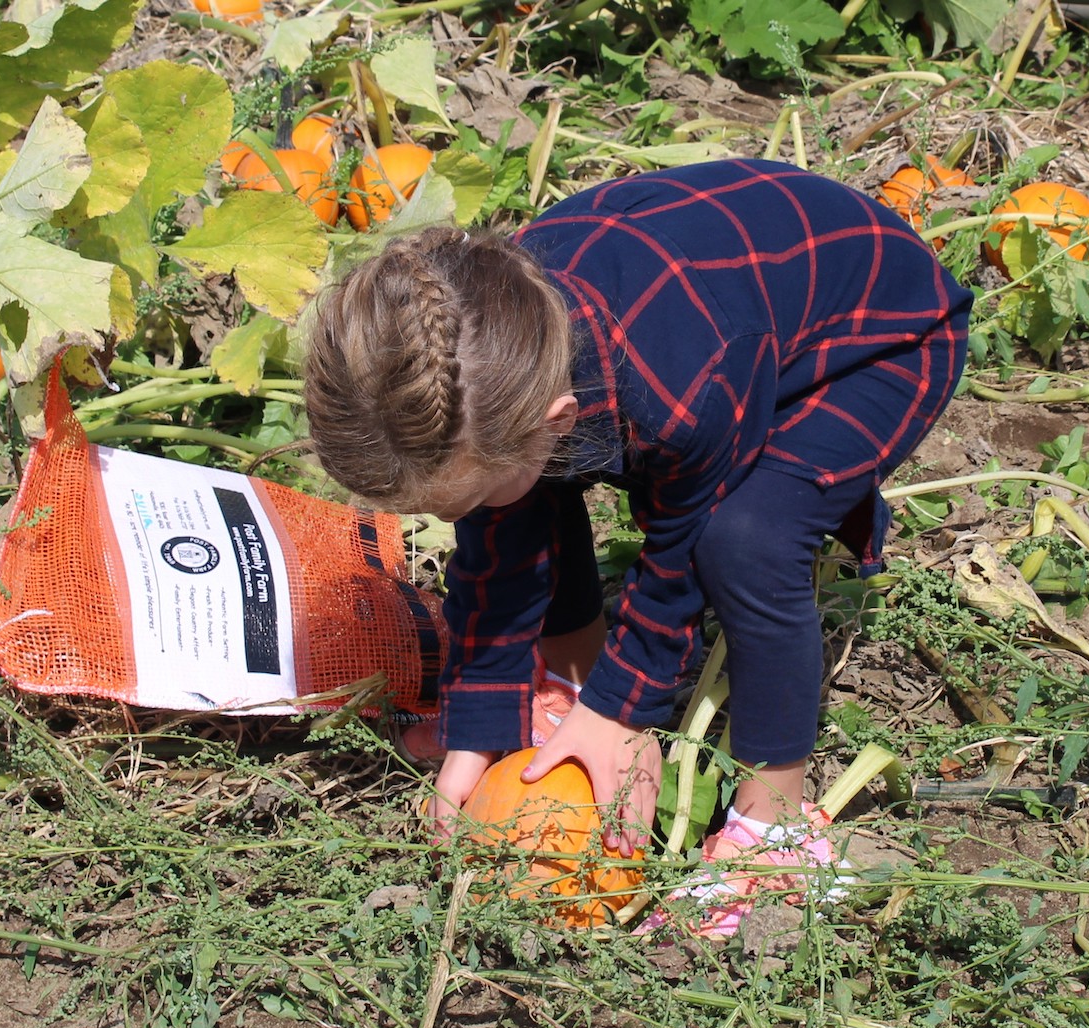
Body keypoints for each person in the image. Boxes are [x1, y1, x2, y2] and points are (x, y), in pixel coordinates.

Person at [304, 158, 972, 936]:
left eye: (465, 497)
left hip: (881, 334)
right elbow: (498, 536)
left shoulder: (681, 389)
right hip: (728, 306)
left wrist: (626, 709)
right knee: (515, 496)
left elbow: (680, 554)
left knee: (748, 539)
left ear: (557, 417)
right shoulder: (484, 347)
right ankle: (570, 682)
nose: (468, 513)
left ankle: (778, 830)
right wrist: (479, 718)